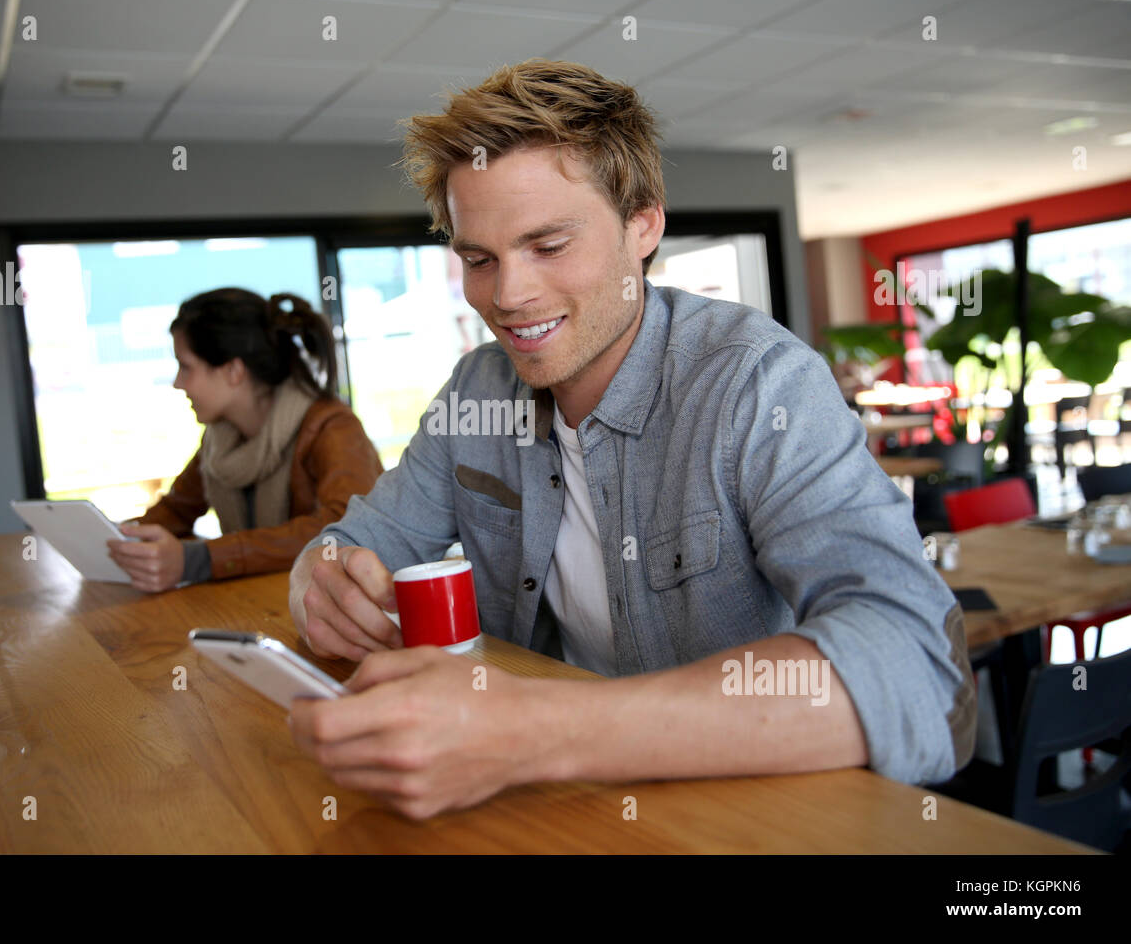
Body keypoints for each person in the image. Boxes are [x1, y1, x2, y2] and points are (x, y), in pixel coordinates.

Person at [285, 59, 975, 820]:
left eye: (548, 245)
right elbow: (351, 542)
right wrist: (322, 584)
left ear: (643, 225)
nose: (509, 296)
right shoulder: (477, 393)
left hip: (740, 818)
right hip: (556, 808)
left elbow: (918, 664)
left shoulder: (759, 384)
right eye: (479, 260)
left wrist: (532, 731)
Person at [107, 288, 383, 592]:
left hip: (331, 609)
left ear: (233, 371)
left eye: (186, 366)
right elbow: (177, 510)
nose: (177, 383)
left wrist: (200, 559)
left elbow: (345, 528)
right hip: (257, 605)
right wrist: (120, 539)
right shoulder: (220, 440)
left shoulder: (331, 428)